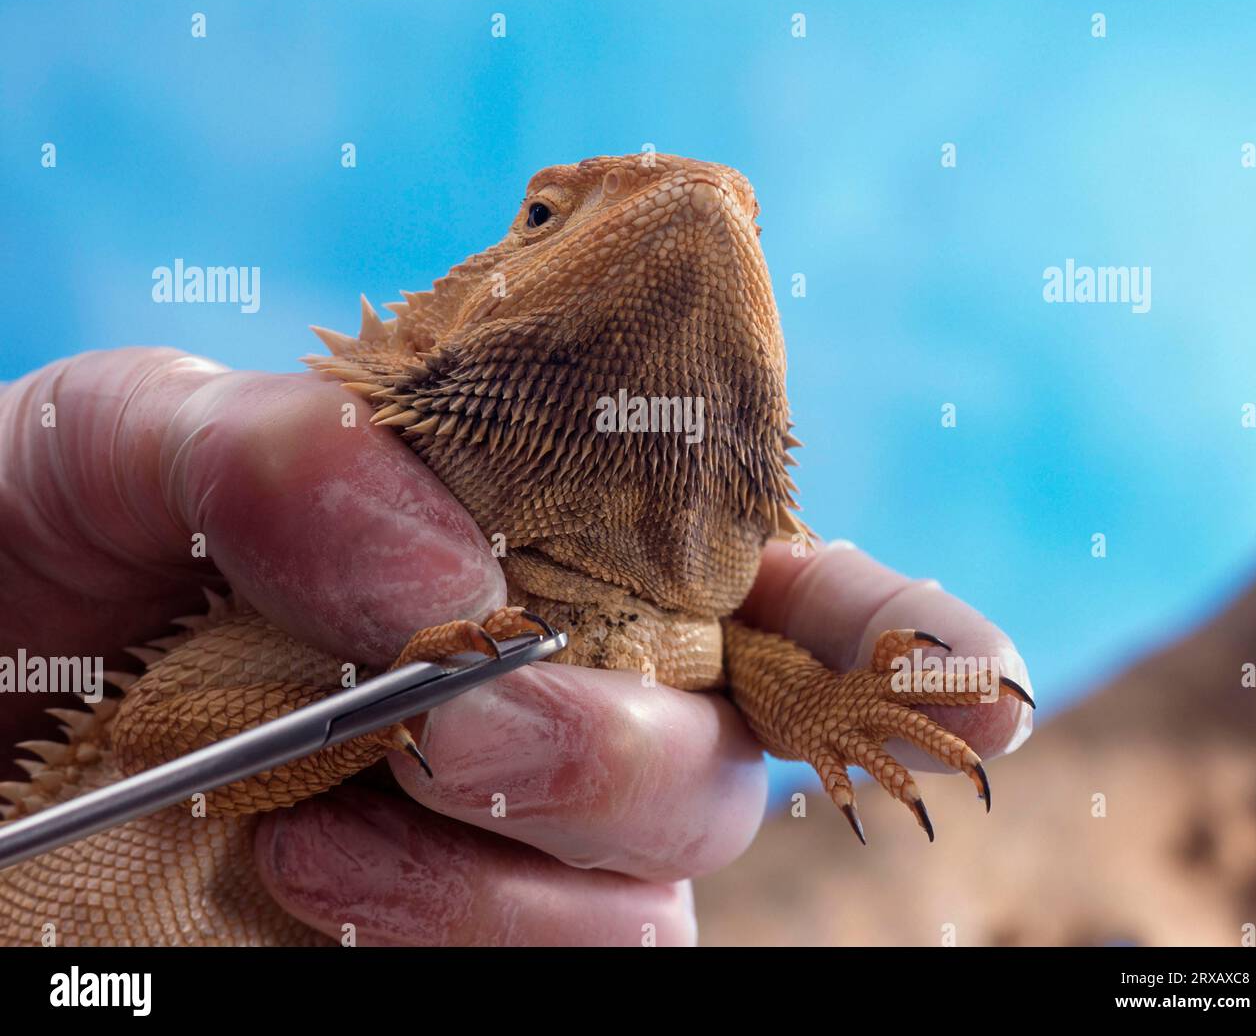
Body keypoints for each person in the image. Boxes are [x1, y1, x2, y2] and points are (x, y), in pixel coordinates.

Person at [0, 348, 1032, 944]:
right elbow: (158, 743)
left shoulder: (705, 641)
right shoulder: (294, 576)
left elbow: (773, 685)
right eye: (544, 214)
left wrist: (832, 705)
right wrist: (381, 708)